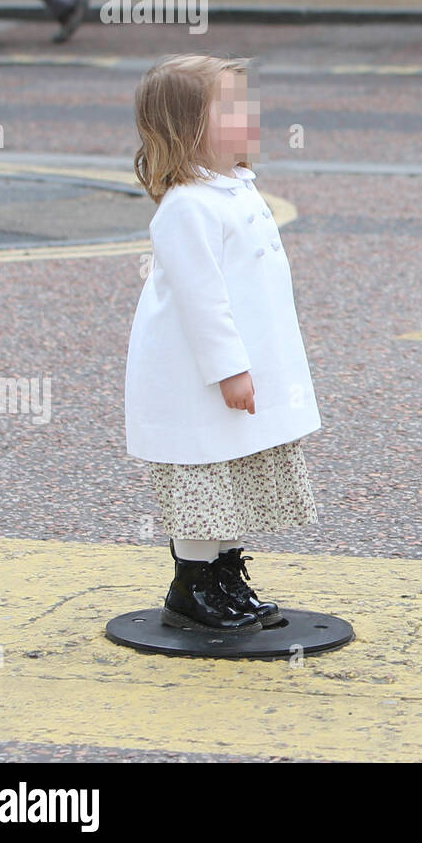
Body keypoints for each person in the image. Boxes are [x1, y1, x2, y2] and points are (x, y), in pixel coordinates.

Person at [125, 54, 322, 632]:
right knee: (201, 475)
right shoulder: (187, 207)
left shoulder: (236, 188)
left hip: (243, 371)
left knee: (234, 474)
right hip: (197, 377)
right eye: (231, 107)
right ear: (186, 129)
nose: (250, 114)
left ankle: (226, 576)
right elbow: (201, 303)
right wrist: (229, 369)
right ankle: (192, 585)